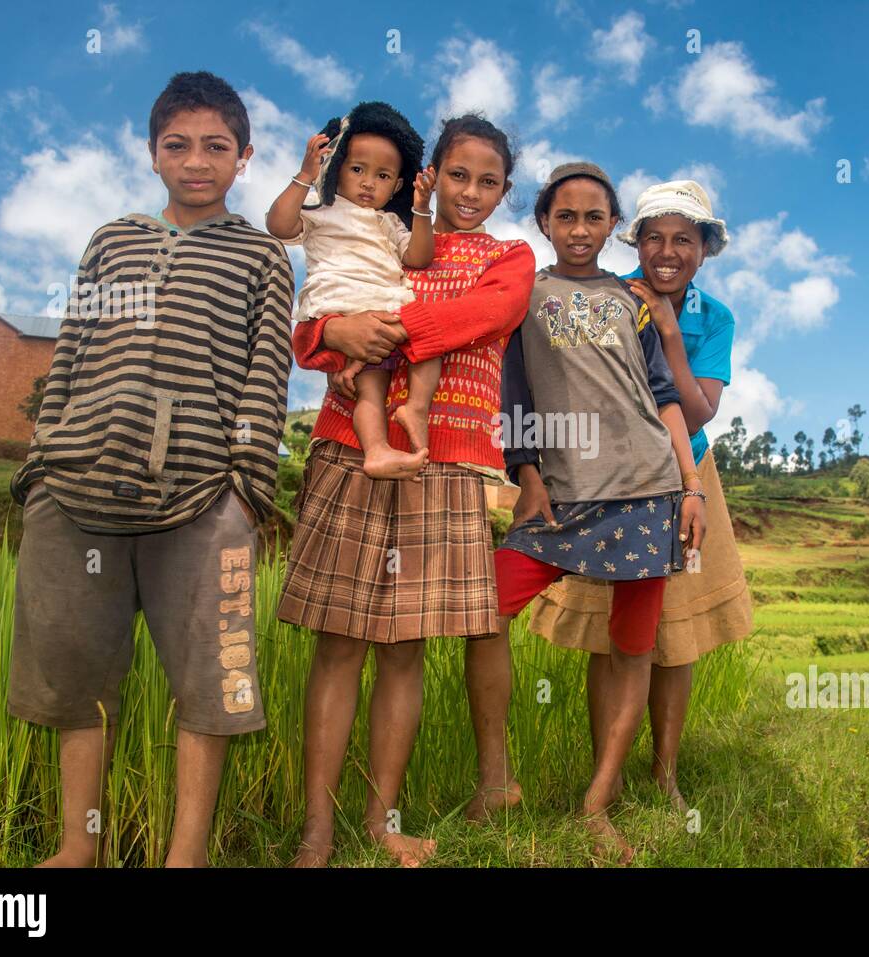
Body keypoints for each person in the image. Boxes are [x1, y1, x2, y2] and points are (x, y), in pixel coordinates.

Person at [6, 71, 293, 867]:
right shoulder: (112, 240)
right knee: (77, 680)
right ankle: (77, 848)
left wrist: (245, 493)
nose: (195, 161)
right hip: (75, 488)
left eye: (215, 147)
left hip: (204, 498)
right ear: (151, 152)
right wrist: (39, 463)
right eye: (178, 145)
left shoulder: (262, 257)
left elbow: (265, 377)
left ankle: (186, 856)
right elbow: (68, 355)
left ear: (243, 157)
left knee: (213, 684)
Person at [276, 114, 535, 868]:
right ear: (431, 175)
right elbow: (314, 314)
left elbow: (488, 314)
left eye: (488, 181)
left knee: (405, 649)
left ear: (505, 190)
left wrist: (373, 327)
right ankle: (316, 831)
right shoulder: (376, 230)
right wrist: (328, 331)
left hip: (443, 459)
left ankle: (379, 818)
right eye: (457, 175)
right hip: (350, 445)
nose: (471, 192)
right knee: (339, 644)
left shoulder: (507, 255)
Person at [495, 162, 707, 864]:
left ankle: (598, 800)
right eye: (565, 217)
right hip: (561, 495)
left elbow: (663, 398)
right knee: (479, 605)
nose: (579, 230)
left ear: (613, 226)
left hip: (648, 487)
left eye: (593, 218)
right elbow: (513, 391)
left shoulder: (633, 300)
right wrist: (524, 471)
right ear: (544, 224)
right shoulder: (524, 292)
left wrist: (691, 487)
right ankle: (494, 778)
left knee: (633, 645)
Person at [529, 180, 753, 811]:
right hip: (612, 482)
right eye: (653, 236)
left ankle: (665, 772)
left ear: (705, 249)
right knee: (612, 633)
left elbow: (701, 411)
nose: (667, 250)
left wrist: (670, 335)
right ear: (636, 240)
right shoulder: (609, 294)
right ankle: (610, 775)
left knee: (673, 635)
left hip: (689, 482)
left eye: (684, 238)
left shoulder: (715, 318)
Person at [266, 101, 439, 481]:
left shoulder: (389, 222)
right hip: (342, 307)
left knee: (431, 343)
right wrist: (304, 175)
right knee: (370, 392)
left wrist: (422, 208)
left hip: (388, 307)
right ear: (337, 168)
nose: (367, 182)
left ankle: (416, 408)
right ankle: (376, 449)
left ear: (395, 185)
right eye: (357, 169)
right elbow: (278, 225)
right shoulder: (320, 212)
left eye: (381, 176)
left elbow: (419, 257)